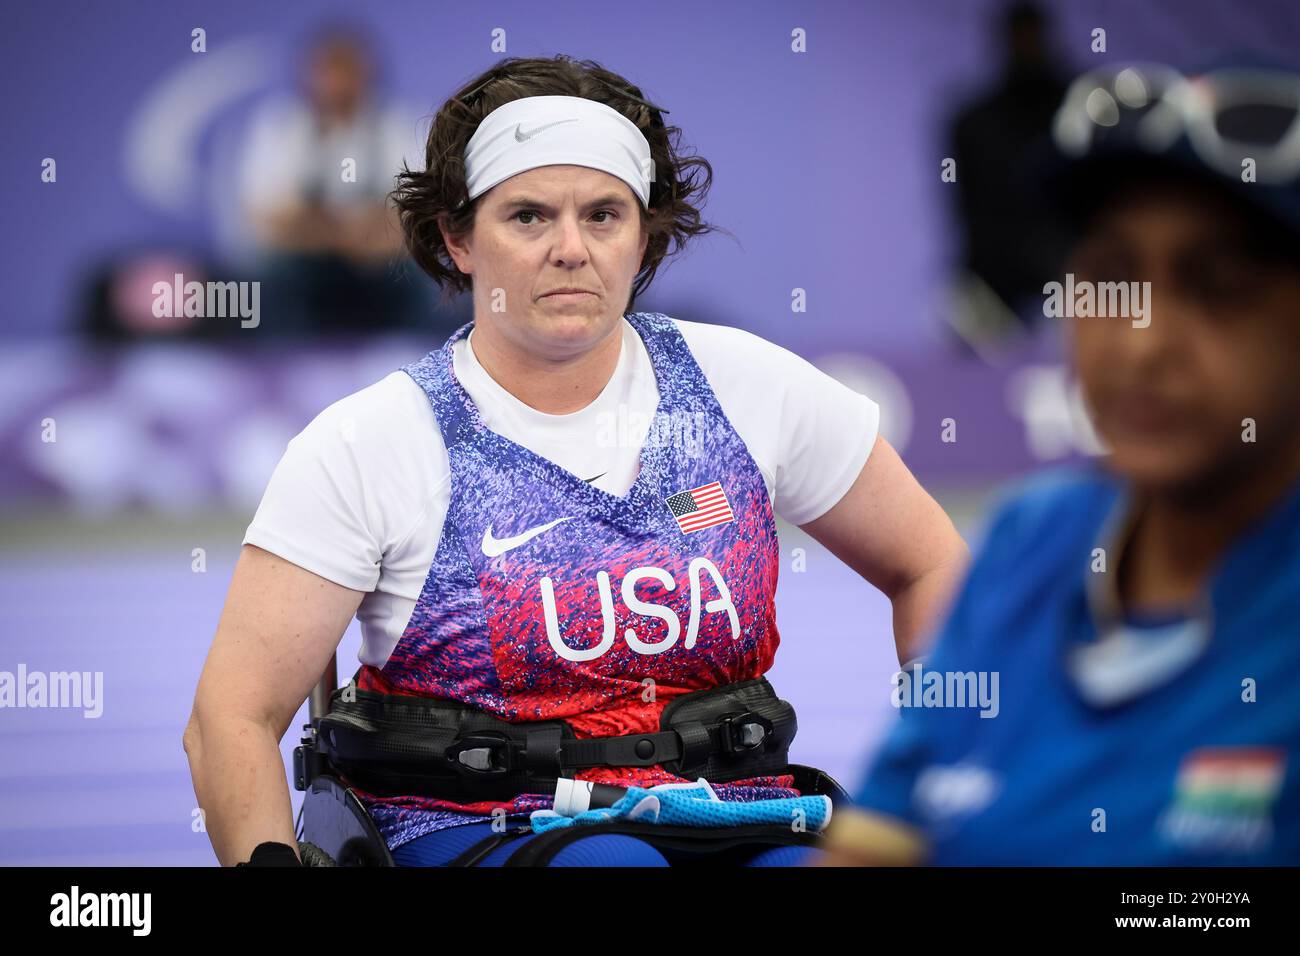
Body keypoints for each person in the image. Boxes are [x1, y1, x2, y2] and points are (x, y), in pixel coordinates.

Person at [185, 54, 969, 867]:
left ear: (642, 237)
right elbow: (229, 720)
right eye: (528, 217)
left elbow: (930, 563)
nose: (571, 249)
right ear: (457, 238)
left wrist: (938, 776)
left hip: (737, 814)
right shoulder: (371, 443)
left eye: (603, 215)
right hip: (482, 828)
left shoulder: (749, 386)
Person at [822, 60, 1300, 865]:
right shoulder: (1028, 540)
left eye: (1218, 287)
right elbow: (879, 839)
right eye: (1112, 280)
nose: (1144, 345)